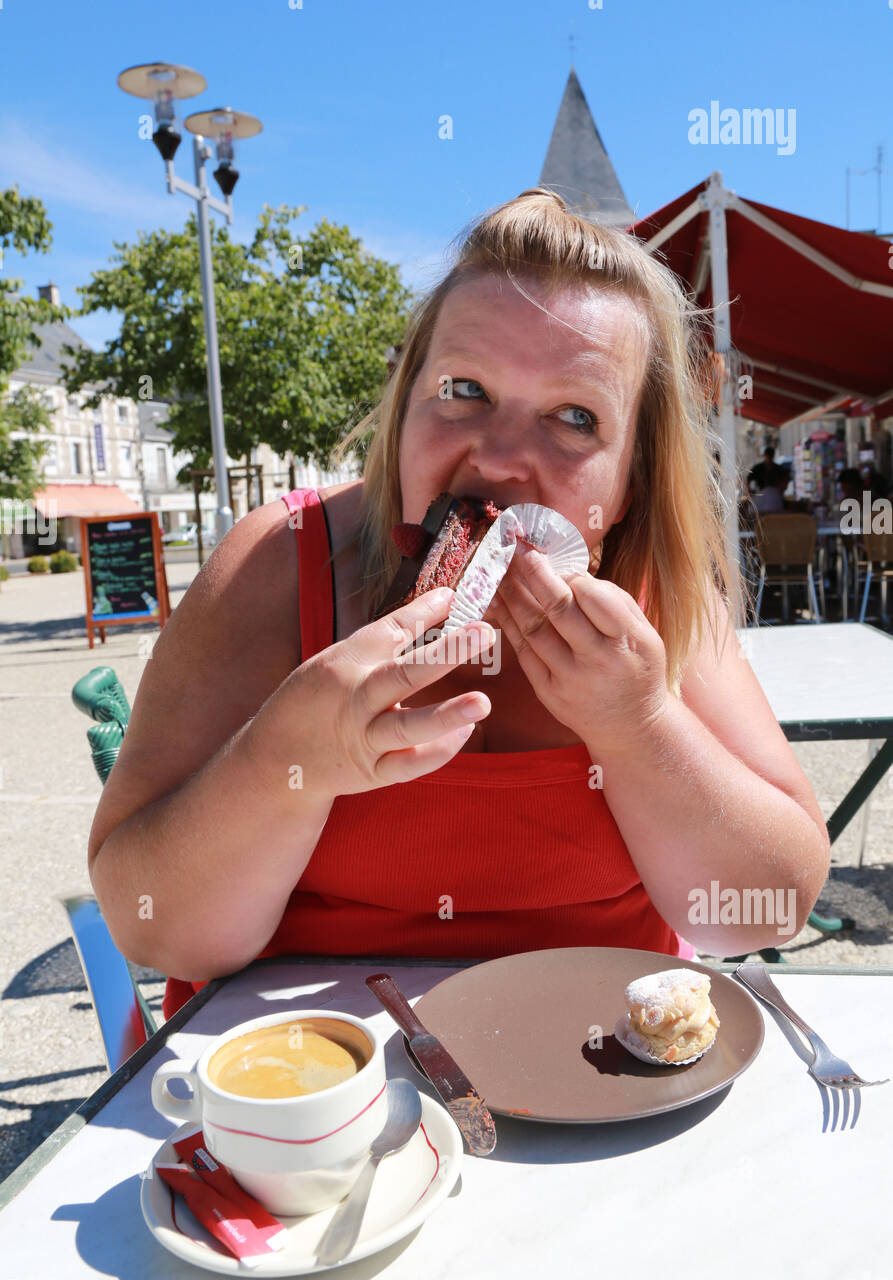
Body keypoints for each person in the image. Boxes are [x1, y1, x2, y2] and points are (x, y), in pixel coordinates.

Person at [86, 188, 831, 1020]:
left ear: (630, 482)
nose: (503, 457)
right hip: (319, 1094)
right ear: (405, 409)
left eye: (574, 417)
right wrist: (279, 767)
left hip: (606, 1085)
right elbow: (153, 928)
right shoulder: (275, 565)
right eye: (464, 390)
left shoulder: (654, 597)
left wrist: (641, 726)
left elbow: (762, 912)